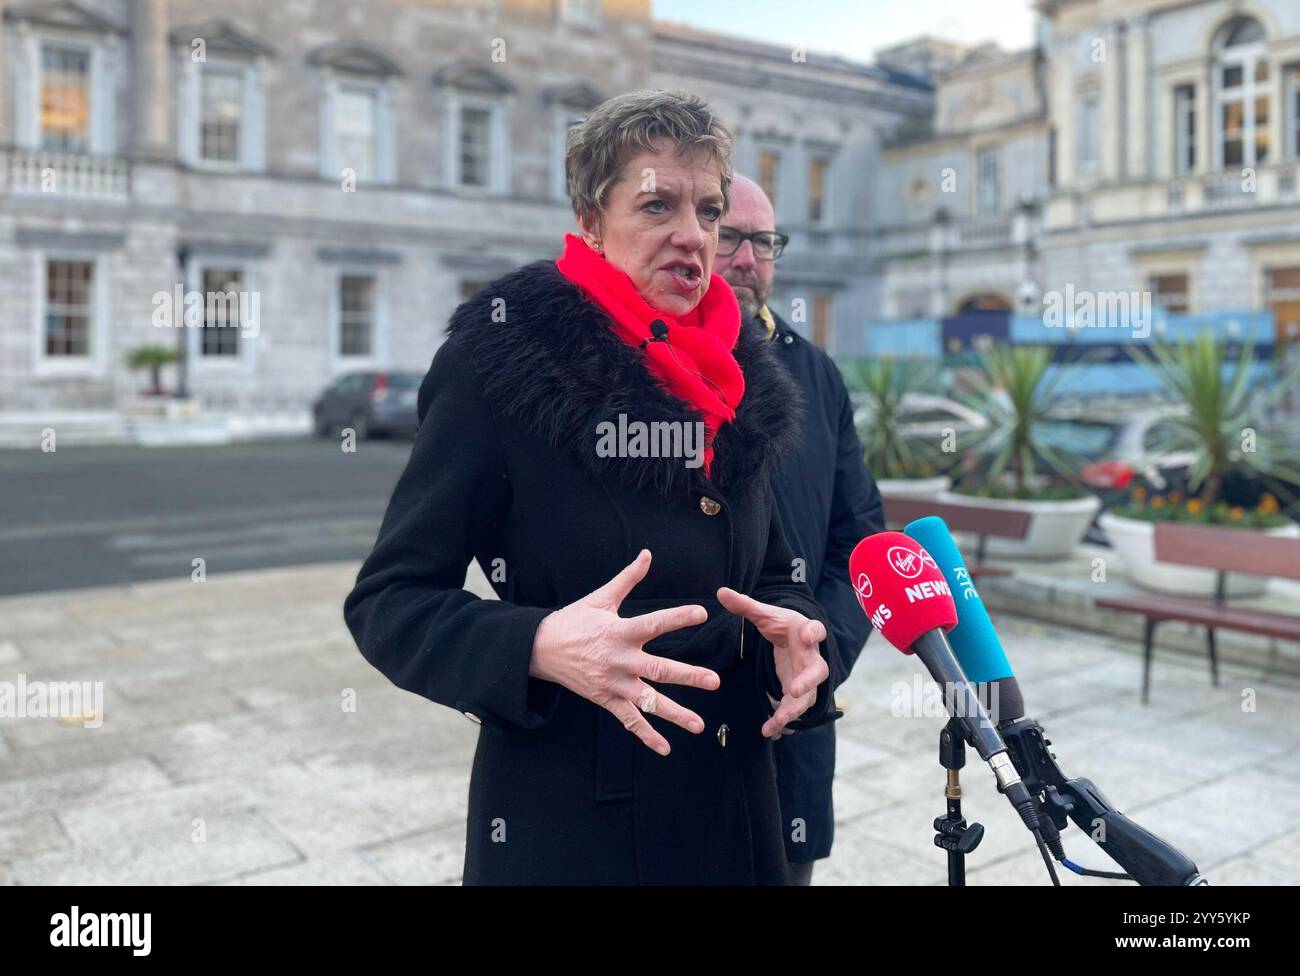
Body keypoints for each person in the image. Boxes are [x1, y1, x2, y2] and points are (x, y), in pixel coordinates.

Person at [344, 90, 839, 884]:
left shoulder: (740, 374)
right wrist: (538, 644)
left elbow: (774, 571)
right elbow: (389, 602)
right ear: (590, 218)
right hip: (578, 829)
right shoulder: (500, 365)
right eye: (657, 205)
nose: (693, 237)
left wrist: (802, 631)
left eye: (709, 211)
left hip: (739, 818)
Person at [714, 175, 884, 885]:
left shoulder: (817, 374)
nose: (748, 258)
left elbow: (860, 535)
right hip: (679, 714)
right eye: (730, 237)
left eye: (764, 241)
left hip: (795, 719)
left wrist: (820, 657)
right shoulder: (636, 369)